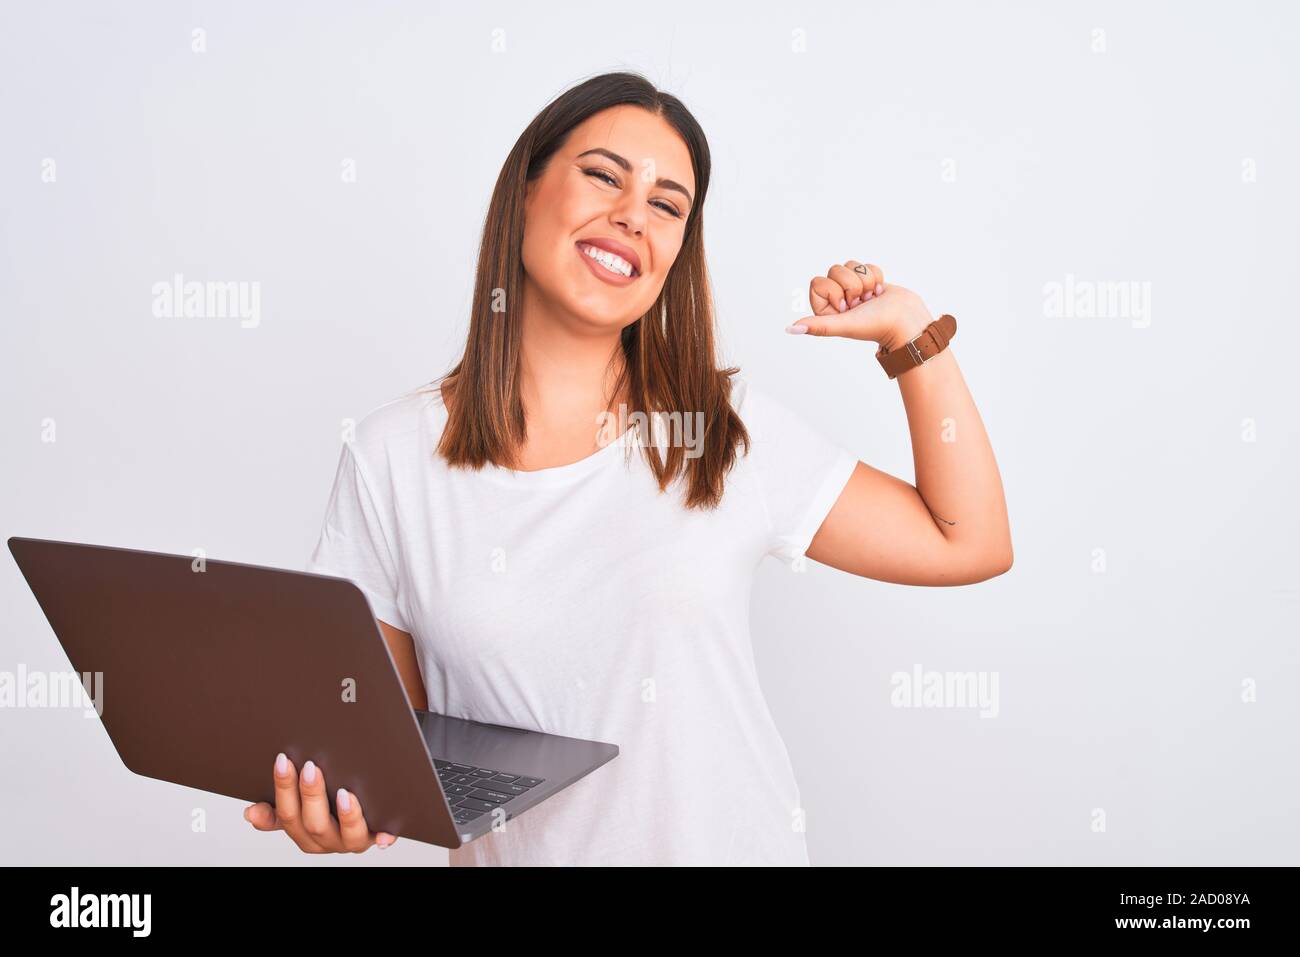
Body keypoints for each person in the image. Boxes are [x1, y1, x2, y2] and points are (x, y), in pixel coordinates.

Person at [242, 70, 1013, 865]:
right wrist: (335, 805)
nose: (631, 216)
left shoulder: (720, 429)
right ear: (527, 191)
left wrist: (910, 334)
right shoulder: (391, 457)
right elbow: (376, 746)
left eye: (667, 204)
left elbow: (969, 541)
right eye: (604, 175)